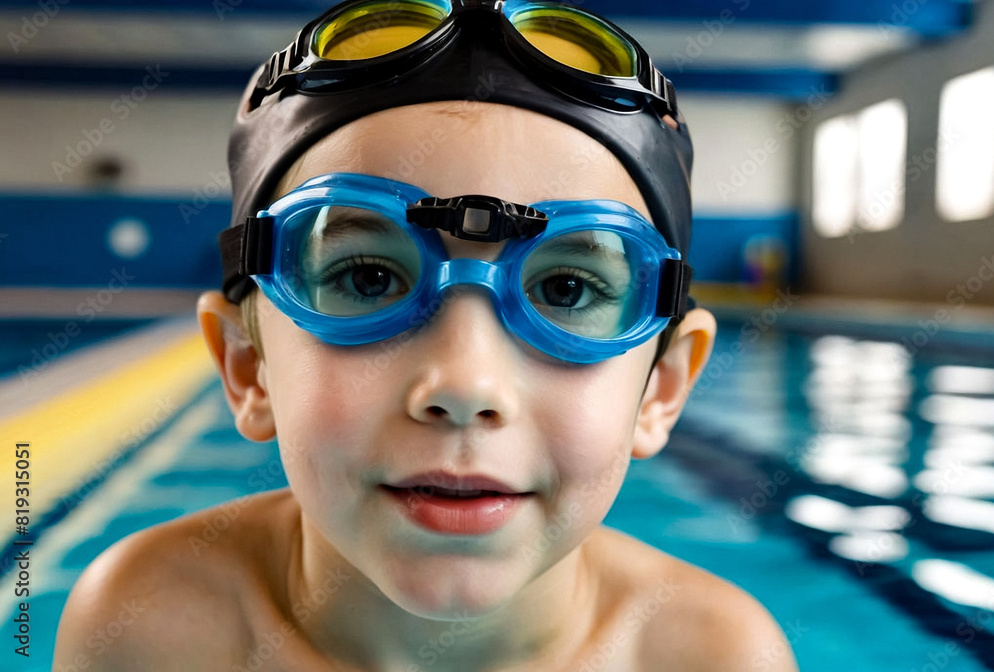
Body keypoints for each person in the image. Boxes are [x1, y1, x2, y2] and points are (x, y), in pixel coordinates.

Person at [53, 2, 798, 669]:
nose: (464, 385)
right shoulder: (147, 628)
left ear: (661, 389)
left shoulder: (710, 655)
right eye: (368, 278)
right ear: (248, 367)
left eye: (566, 289)